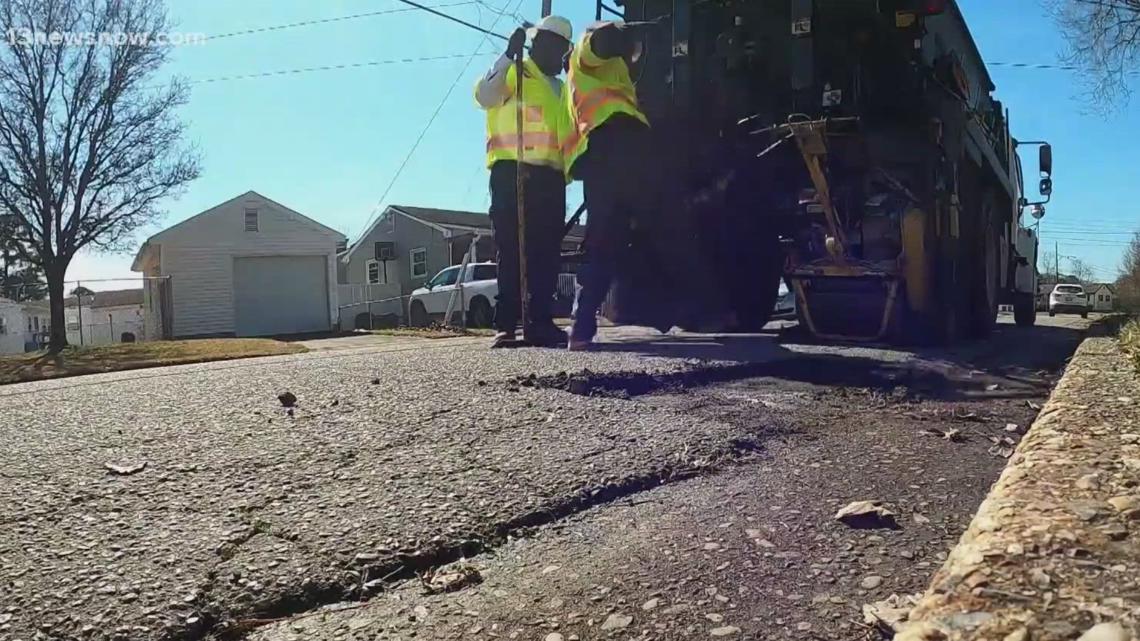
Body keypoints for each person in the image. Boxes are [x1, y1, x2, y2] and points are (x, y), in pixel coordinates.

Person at [474, 15, 573, 348]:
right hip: (511, 171)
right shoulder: (516, 70)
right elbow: (485, 96)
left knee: (546, 251)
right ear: (539, 45)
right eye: (556, 48)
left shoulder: (562, 89)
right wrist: (506, 55)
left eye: (564, 51)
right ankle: (506, 325)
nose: (560, 57)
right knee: (511, 248)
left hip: (550, 177)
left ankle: (540, 321)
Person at [561, 21, 652, 351]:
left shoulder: (609, 72)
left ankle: (582, 325)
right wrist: (629, 29)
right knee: (608, 238)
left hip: (615, 151)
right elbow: (600, 41)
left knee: (610, 238)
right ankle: (582, 323)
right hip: (612, 148)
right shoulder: (586, 51)